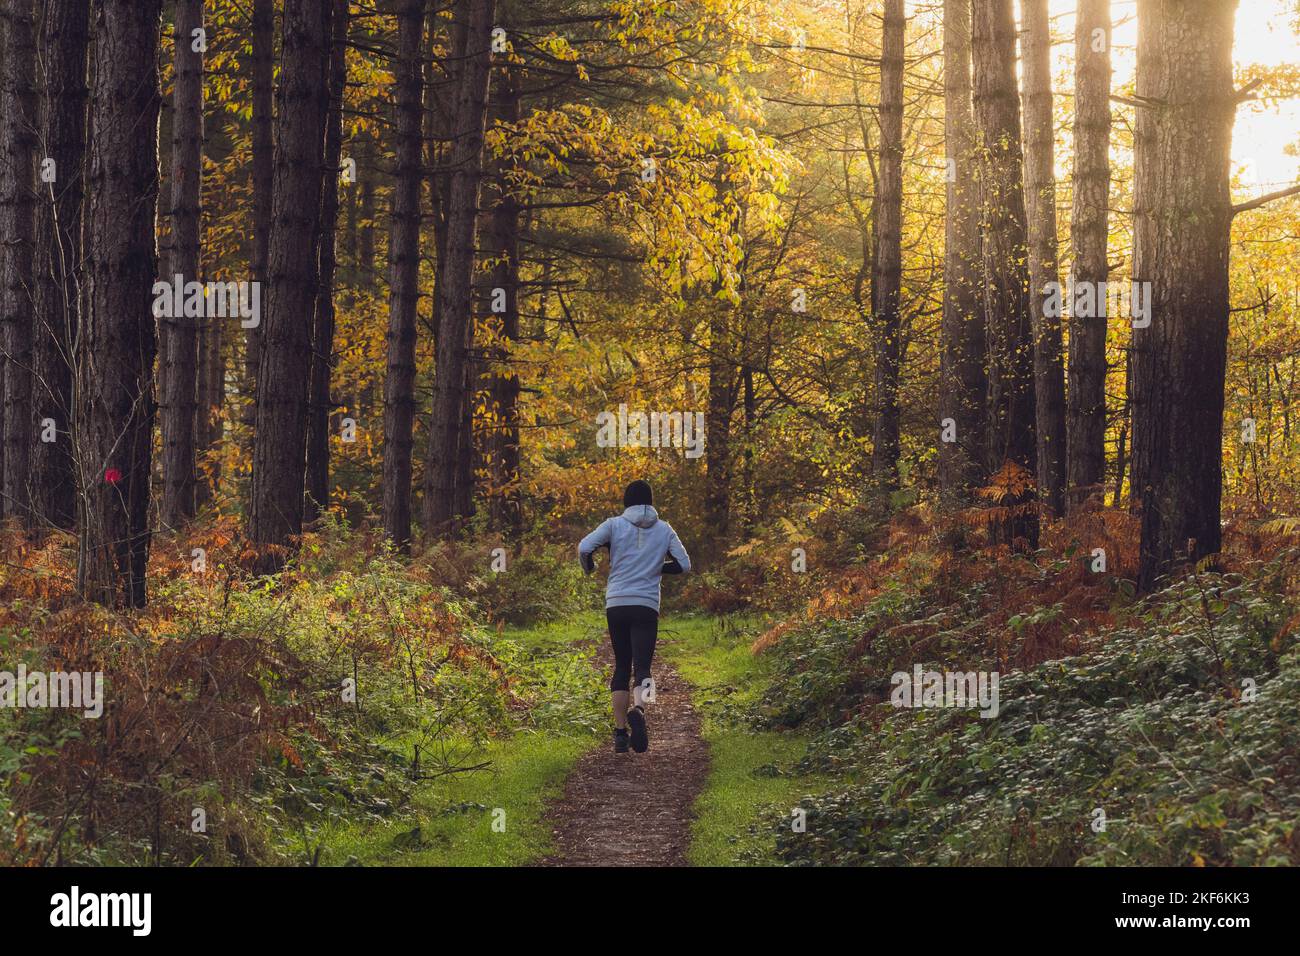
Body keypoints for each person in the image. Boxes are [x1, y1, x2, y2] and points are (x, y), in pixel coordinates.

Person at [578, 479, 691, 754]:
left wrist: (590, 567)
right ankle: (638, 709)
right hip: (646, 605)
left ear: (626, 502)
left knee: (620, 665)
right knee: (643, 667)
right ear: (651, 502)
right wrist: (655, 567)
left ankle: (619, 734)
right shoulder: (664, 529)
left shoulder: (614, 525)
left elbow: (584, 548)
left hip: (616, 603)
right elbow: (684, 565)